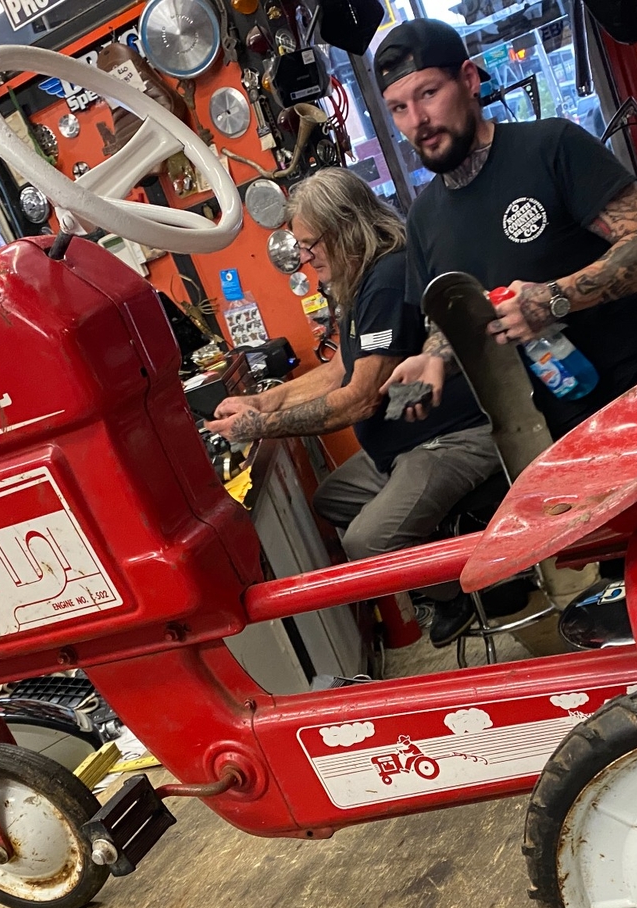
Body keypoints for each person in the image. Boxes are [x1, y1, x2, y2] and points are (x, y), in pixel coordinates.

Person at [204, 168, 499, 646]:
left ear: (345, 229)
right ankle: (445, 556)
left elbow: (359, 398)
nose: (303, 258)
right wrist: (263, 399)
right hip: (403, 440)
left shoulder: (386, 278)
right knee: (333, 499)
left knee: (366, 541)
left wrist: (263, 425)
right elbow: (343, 364)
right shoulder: (360, 280)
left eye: (309, 244)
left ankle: (462, 593)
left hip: (449, 438)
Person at [375, 19, 637, 441]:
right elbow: (447, 323)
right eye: (399, 108)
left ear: (468, 81)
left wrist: (553, 300)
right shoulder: (424, 217)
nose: (418, 120)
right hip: (540, 441)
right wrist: (433, 359)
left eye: (428, 93)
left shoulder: (551, 147)